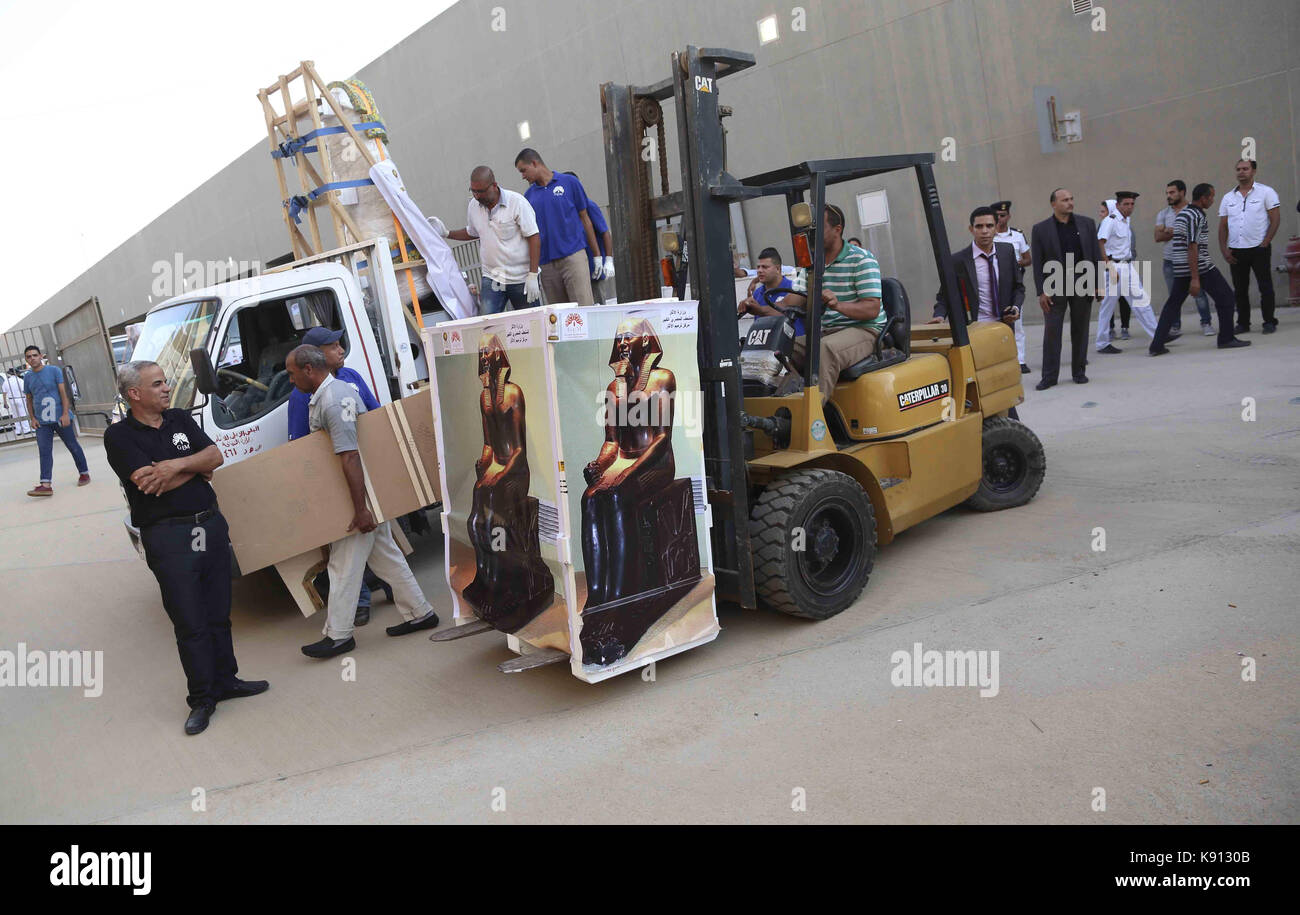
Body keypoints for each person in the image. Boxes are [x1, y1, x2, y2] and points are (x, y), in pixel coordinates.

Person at [104, 361, 268, 735]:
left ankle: (228, 680)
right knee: (190, 621)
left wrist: (175, 466)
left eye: (166, 382)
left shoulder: (179, 418)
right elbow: (148, 484)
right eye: (158, 384)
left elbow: (216, 457)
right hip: (168, 536)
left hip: (208, 525)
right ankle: (202, 698)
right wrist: (195, 467)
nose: (167, 388)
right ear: (135, 394)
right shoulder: (119, 436)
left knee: (218, 614)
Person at [285, 345, 440, 658]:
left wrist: (360, 509)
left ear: (308, 370)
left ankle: (339, 636)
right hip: (363, 495)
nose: (290, 380)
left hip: (360, 497)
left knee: (342, 564)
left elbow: (351, 456)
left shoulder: (334, 399)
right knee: (386, 557)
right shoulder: (327, 395)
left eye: (291, 373)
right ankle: (421, 613)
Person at [286, 326, 386, 626]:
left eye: (340, 344)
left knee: (385, 538)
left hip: (371, 468)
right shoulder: (303, 394)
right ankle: (359, 604)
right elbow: (301, 446)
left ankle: (409, 601)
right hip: (340, 476)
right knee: (347, 547)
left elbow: (375, 413)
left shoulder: (351, 377)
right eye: (333, 346)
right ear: (315, 357)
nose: (340, 350)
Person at [779, 204, 886, 401]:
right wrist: (758, 307)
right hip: (828, 331)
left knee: (824, 349)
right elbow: (792, 300)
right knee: (782, 347)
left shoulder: (861, 259)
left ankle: (814, 414)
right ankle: (785, 404)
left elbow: (872, 308)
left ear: (838, 230)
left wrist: (838, 305)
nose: (811, 235)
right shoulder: (812, 263)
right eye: (810, 231)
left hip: (865, 330)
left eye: (818, 230)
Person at [1150, 183, 1250, 355]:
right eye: (1211, 196)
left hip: (1181, 267)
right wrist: (1195, 278)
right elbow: (1192, 246)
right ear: (1203, 198)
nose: (1212, 200)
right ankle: (1226, 339)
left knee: (1172, 305)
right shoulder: (1195, 215)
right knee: (1226, 297)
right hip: (1200, 267)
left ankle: (1156, 345)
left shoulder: (1184, 213)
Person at [434, 166, 541, 314]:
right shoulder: (473, 206)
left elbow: (534, 237)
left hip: (521, 277)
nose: (477, 196)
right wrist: (446, 233)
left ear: (494, 186)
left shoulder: (516, 202)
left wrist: (533, 275)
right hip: (493, 275)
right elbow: (472, 232)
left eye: (481, 191)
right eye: (473, 191)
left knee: (531, 324)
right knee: (487, 326)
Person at [1029, 188, 1101, 389]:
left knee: (1081, 330)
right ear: (1053, 204)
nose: (1070, 203)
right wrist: (1041, 291)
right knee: (1052, 332)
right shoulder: (1041, 229)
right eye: (1065, 200)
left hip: (1083, 283)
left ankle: (1079, 372)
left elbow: (1096, 255)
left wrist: (1099, 285)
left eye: (1071, 199)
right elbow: (1038, 263)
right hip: (1054, 287)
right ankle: (1049, 377)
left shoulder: (1087, 224)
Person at [515, 148, 599, 307]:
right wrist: (532, 271)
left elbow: (585, 218)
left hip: (573, 259)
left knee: (583, 309)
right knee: (560, 317)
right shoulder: (528, 198)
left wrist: (597, 255)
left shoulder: (569, 182)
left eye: (523, 171)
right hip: (547, 266)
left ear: (534, 163)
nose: (523, 176)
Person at [929, 206, 1024, 326]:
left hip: (1004, 325)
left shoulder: (1007, 251)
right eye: (979, 226)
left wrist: (1015, 307)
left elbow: (1018, 287)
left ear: (996, 228)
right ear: (971, 229)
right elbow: (945, 295)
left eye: (989, 226)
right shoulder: (958, 260)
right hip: (974, 327)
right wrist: (939, 315)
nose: (984, 231)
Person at [1217, 158, 1281, 334]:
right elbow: (1223, 225)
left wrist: (1266, 241)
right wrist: (1224, 249)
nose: (1241, 172)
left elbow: (1275, 218)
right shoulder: (1228, 197)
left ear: (1253, 171)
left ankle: (1269, 321)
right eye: (1238, 169)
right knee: (1240, 289)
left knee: (1265, 286)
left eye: (1245, 168)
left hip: (1259, 248)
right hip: (1236, 250)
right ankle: (1243, 323)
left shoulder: (1266, 192)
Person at [22, 345, 90, 497]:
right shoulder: (27, 377)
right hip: (42, 421)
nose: (32, 358)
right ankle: (45, 485)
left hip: (60, 417)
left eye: (34, 355)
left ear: (41, 356)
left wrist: (65, 413)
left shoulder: (53, 370)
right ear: (26, 360)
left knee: (72, 445)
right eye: (29, 356)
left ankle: (84, 473)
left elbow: (63, 393)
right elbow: (29, 398)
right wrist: (32, 418)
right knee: (44, 450)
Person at [1095, 192, 1158, 354]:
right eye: (1126, 204)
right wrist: (1108, 266)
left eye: (1132, 204)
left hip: (1127, 266)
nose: (1130, 207)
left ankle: (1158, 335)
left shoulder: (1126, 221)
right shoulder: (1111, 221)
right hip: (1115, 267)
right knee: (1109, 306)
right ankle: (1102, 343)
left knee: (1140, 299)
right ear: (1118, 205)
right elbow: (1100, 242)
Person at [1155, 180, 1213, 336]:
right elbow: (1157, 236)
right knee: (1174, 296)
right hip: (1170, 262)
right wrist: (1180, 230)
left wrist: (1170, 230)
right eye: (1167, 193)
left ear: (1182, 192)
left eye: (1172, 192)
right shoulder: (1163, 213)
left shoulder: (1192, 211)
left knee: (1199, 292)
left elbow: (1193, 237)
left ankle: (1206, 323)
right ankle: (1175, 326)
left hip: (1190, 260)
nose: (1169, 196)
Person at [991, 200, 1032, 372]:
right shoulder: (989, 235)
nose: (1001, 219)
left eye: (1003, 215)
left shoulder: (1017, 235)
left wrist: (1016, 264)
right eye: (998, 216)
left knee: (1017, 323)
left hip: (1013, 284)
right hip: (993, 284)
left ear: (1009, 216)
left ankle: (1020, 360)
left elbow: (1028, 259)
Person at [563, 171, 616, 303]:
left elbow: (605, 232)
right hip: (579, 268)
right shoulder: (567, 210)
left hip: (594, 268)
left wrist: (608, 260)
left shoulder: (588, 206)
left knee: (598, 303)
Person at [738, 247, 802, 335]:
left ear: (778, 269)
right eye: (758, 267)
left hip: (793, 344)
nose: (759, 270)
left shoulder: (794, 289)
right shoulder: (757, 293)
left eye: (765, 267)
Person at [3, 367, 31, 435]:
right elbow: (24, 390)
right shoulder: (20, 380)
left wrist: (5, 402)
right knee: (23, 414)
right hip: (20, 398)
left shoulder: (6, 381)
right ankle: (26, 429)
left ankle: (18, 430)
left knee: (15, 415)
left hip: (11, 399)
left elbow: (4, 393)